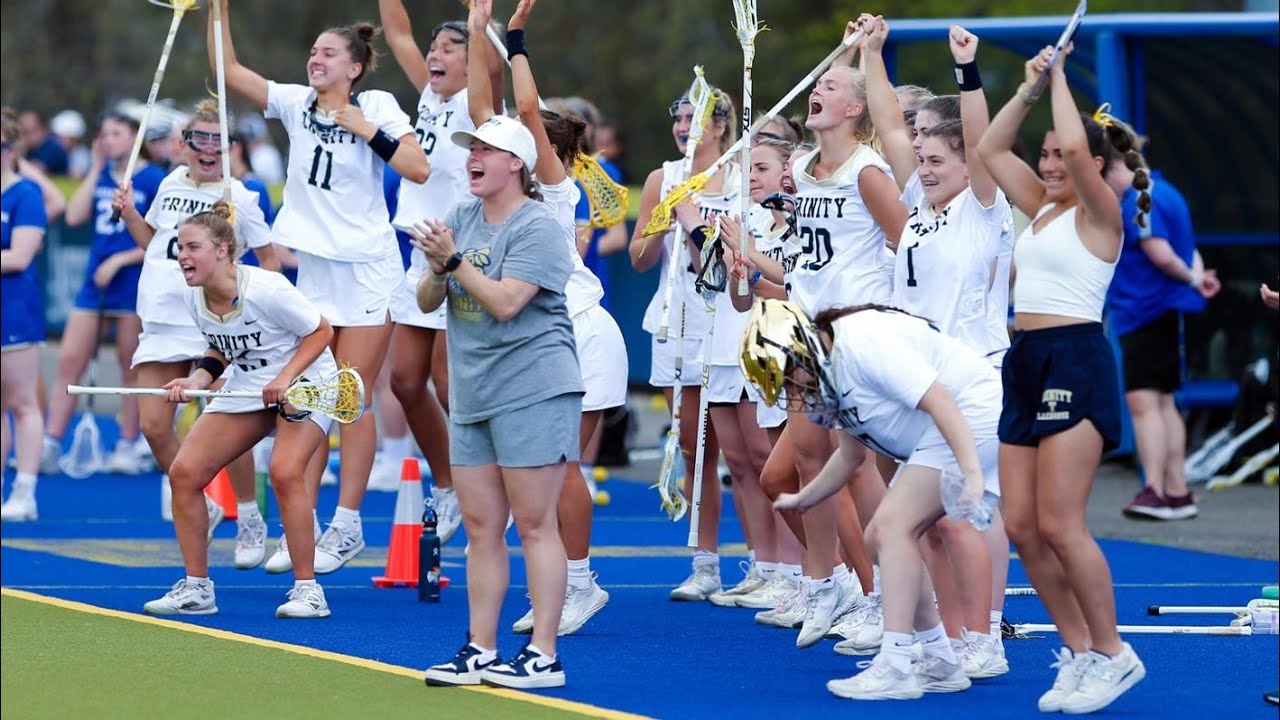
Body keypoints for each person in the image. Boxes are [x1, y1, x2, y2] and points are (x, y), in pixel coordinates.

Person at [212, 0, 430, 575]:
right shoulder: (294, 102)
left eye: (328, 53)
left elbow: (418, 167)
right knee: (308, 398)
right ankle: (300, 526)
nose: (316, 59)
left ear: (354, 67)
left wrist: (367, 129)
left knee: (348, 395)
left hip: (366, 267)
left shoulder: (375, 105)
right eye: (312, 52)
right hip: (316, 271)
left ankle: (348, 524)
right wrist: (219, 13)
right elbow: (231, 73)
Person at [977, 44, 1149, 714]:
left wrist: (1059, 78)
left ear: (1101, 169)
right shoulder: (1044, 205)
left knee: (1060, 522)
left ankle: (1114, 652)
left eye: (1058, 155)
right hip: (1026, 359)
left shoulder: (1098, 214)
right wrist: (1024, 91)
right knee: (1020, 525)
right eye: (1043, 155)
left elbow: (1080, 154)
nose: (1049, 164)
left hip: (1075, 358)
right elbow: (991, 150)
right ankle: (1079, 651)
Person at [748, 300, 998, 700]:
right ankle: (939, 656)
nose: (794, 393)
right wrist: (804, 498)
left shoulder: (862, 345)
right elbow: (850, 455)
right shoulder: (829, 366)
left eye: (791, 379)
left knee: (890, 529)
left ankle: (897, 662)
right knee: (877, 538)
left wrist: (971, 472)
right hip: (947, 425)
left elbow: (941, 401)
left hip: (970, 414)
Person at [414, 115, 581, 690]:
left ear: (517, 163)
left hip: (534, 386)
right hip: (475, 391)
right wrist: (440, 265)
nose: (473, 157)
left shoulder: (538, 226)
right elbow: (427, 296)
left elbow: (508, 303)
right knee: (482, 529)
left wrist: (455, 261)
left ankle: (543, 655)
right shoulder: (460, 217)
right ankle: (479, 648)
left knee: (535, 525)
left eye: (486, 149)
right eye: (471, 149)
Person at [477, 0, 625, 635]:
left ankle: (581, 585)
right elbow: (481, 112)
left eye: (519, 135)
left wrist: (515, 39)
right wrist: (475, 28)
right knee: (544, 471)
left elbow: (525, 110)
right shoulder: (503, 191)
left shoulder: (556, 188)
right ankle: (563, 583)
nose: (503, 134)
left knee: (561, 465)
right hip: (546, 341)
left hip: (582, 333)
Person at [141, 203, 337, 619]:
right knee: (185, 473)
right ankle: (197, 589)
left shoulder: (267, 289)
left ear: (224, 251)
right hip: (249, 388)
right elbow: (220, 348)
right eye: (180, 246)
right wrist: (197, 381)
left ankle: (308, 591)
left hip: (308, 383)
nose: (182, 255)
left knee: (285, 470)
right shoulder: (195, 298)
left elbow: (322, 331)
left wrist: (285, 379)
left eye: (193, 246)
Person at [115, 99, 279, 568]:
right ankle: (203, 503)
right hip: (163, 315)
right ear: (182, 145)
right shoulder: (169, 183)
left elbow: (268, 261)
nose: (207, 148)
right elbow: (154, 244)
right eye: (198, 139)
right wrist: (129, 214)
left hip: (216, 320)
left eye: (217, 140)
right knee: (152, 424)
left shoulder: (240, 194)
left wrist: (251, 309)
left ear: (230, 148)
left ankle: (248, 514)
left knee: (226, 423)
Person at [379, 0, 497, 541]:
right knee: (405, 381)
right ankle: (448, 486)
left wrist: (478, 26)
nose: (434, 53)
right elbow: (397, 32)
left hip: (459, 254)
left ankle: (488, 485)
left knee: (452, 385)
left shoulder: (479, 107)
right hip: (417, 254)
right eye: (435, 47)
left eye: (449, 47)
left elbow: (490, 63)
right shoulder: (428, 96)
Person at [629, 81, 737, 601]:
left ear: (719, 127)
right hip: (680, 323)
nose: (682, 128)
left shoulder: (742, 174)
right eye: (678, 119)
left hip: (733, 323)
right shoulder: (663, 178)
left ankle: (775, 565)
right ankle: (706, 561)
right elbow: (639, 258)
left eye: (694, 120)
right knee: (695, 449)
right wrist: (665, 218)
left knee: (748, 454)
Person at [1101, 113, 1220, 521]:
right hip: (1163, 312)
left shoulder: (1139, 197)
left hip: (1144, 311)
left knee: (1145, 404)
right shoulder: (1166, 190)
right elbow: (1187, 248)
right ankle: (1178, 490)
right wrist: (1197, 276)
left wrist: (1191, 279)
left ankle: (1155, 488)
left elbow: (1160, 251)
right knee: (1165, 402)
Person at [44, 111, 166, 476]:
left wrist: (121, 260)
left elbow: (161, 238)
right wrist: (96, 168)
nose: (107, 140)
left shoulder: (153, 178)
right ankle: (51, 442)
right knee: (69, 361)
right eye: (103, 134)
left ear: (134, 138)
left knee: (132, 368)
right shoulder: (101, 175)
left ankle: (127, 444)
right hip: (94, 283)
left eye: (116, 133)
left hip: (131, 283)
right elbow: (75, 217)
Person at [1, 109, 48, 522]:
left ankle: (26, 490)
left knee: (22, 402)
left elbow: (19, 256)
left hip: (14, 310)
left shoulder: (25, 194)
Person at [18, 110, 69, 176]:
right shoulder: (28, 148)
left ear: (41, 129)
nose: (24, 137)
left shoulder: (53, 147)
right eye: (22, 132)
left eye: (27, 131)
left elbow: (36, 170)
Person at [50, 110, 92, 180]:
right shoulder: (61, 153)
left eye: (61, 137)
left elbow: (76, 176)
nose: (57, 139)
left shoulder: (81, 155)